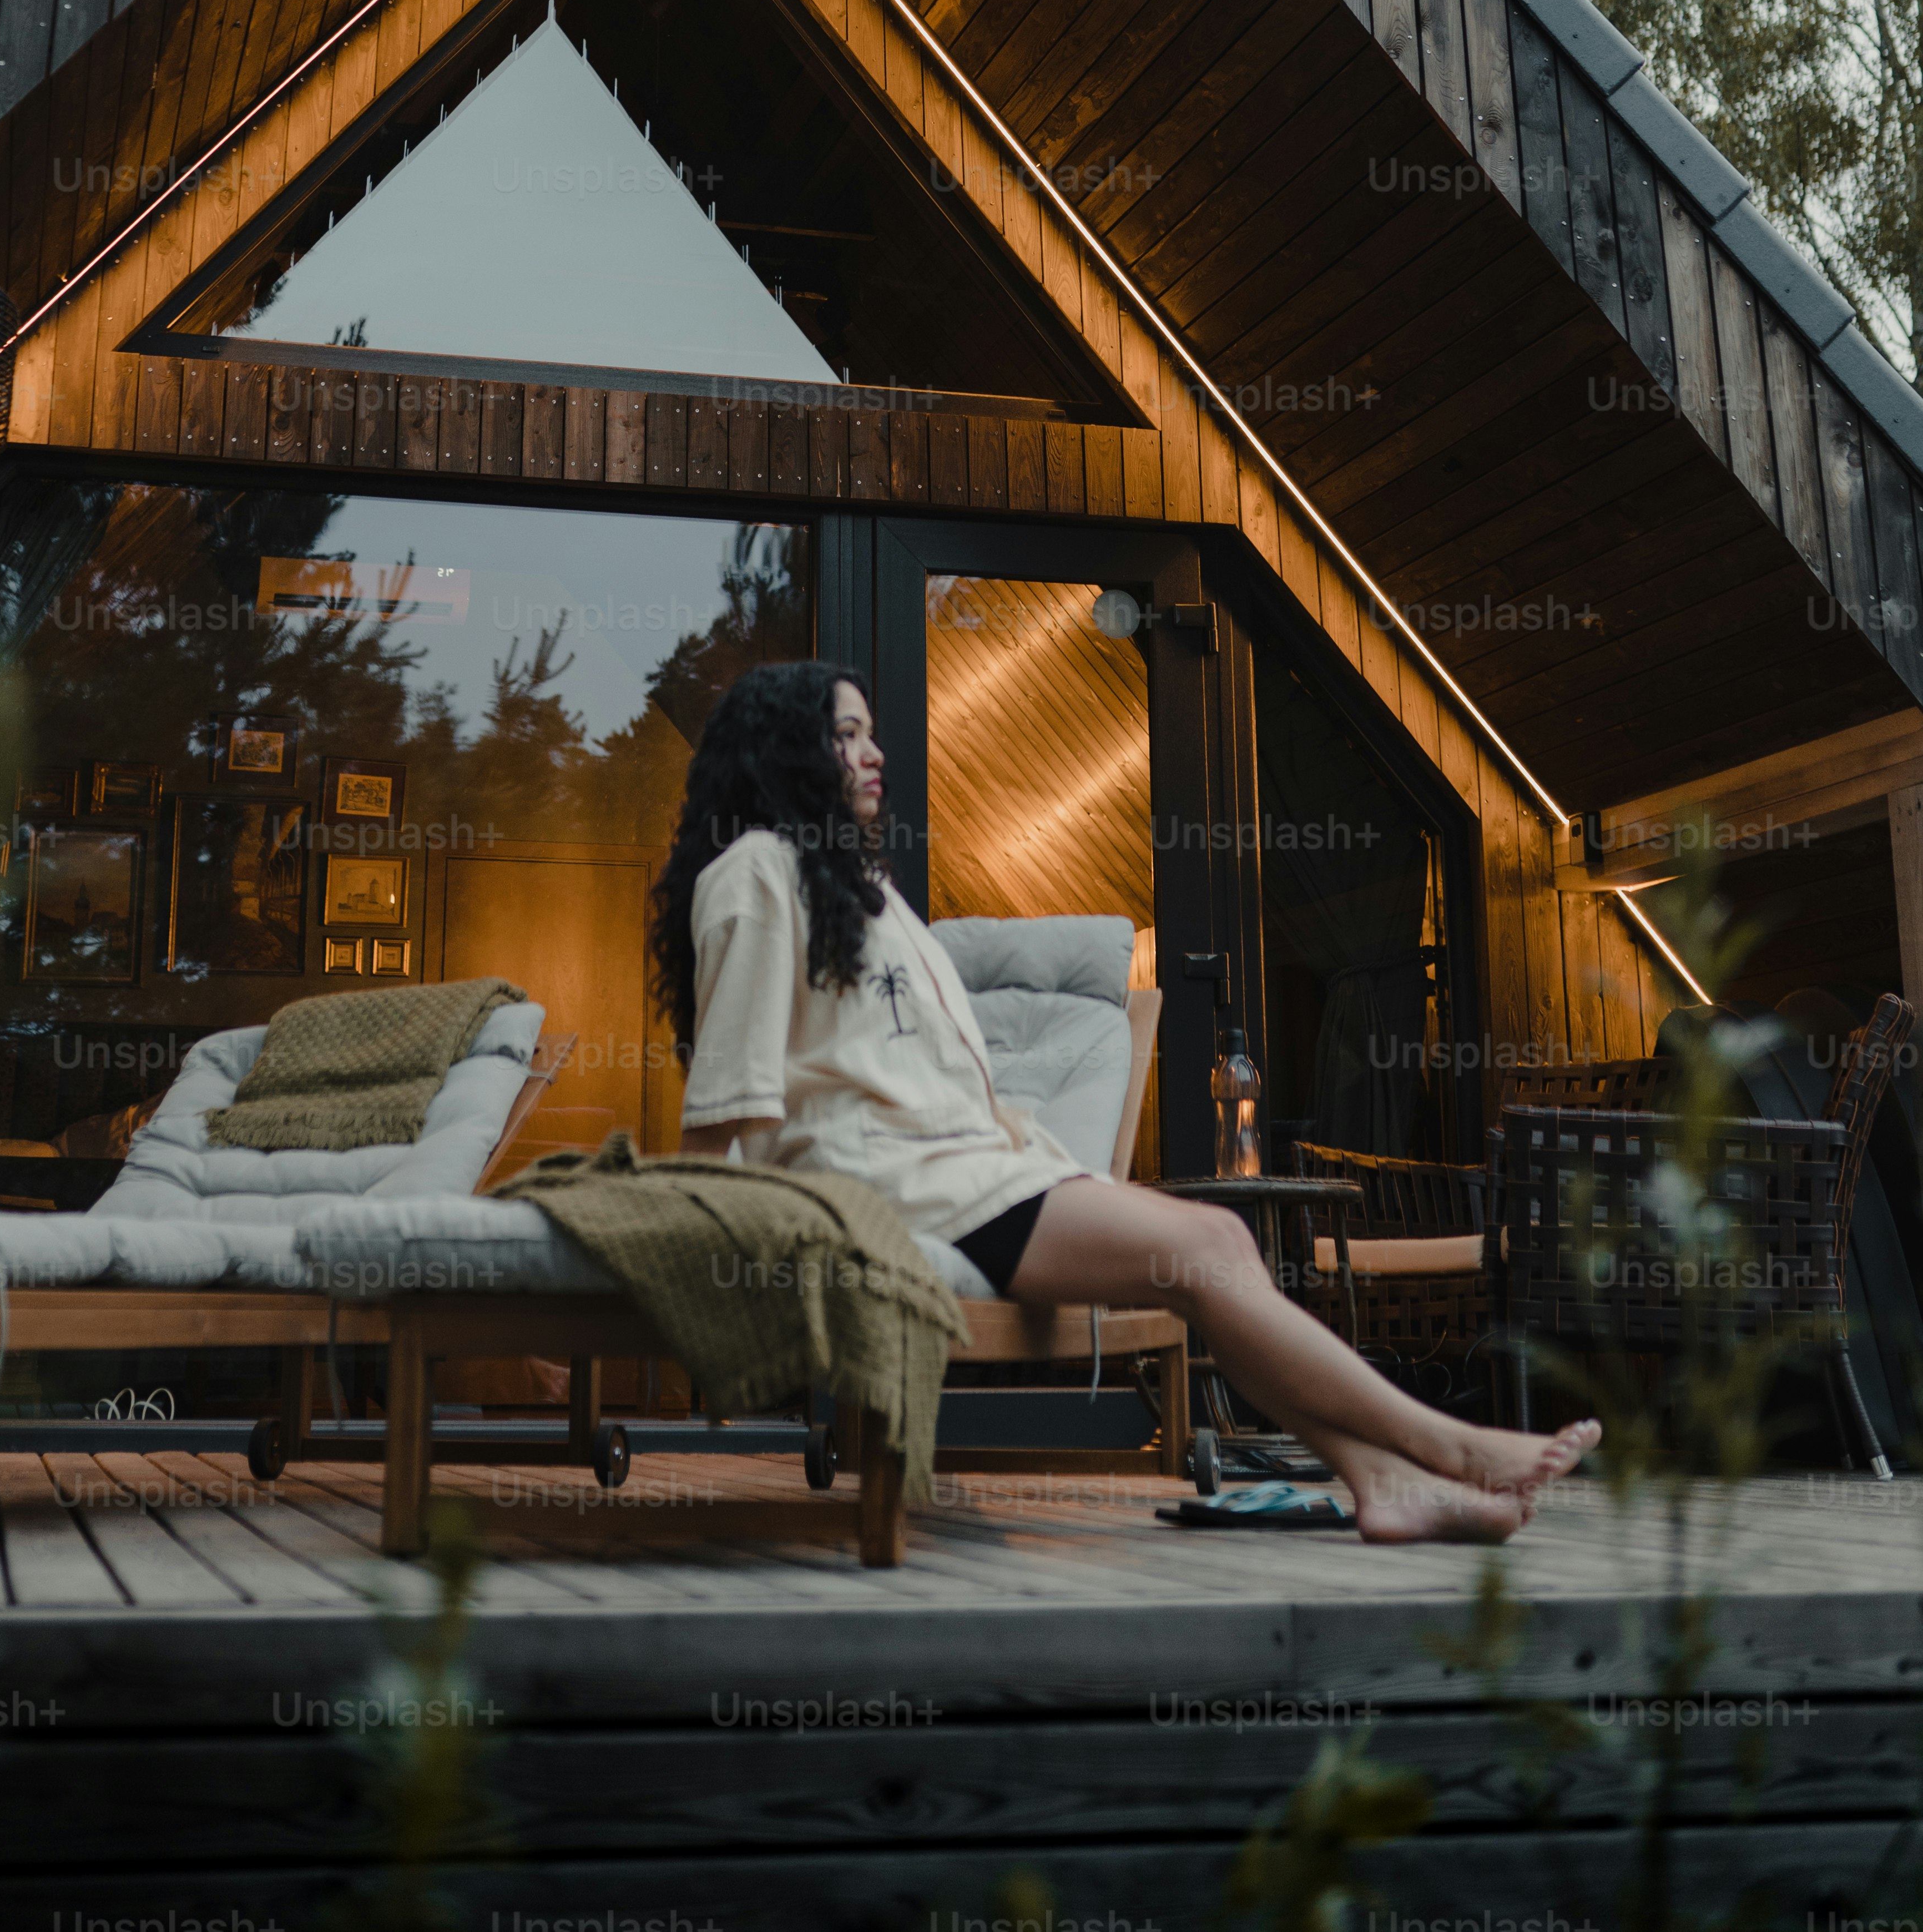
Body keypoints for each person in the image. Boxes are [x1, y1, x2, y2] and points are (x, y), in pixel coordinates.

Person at [649, 660, 1597, 1545]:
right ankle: (1452, 1447)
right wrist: (702, 1239)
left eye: (869, 734)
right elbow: (729, 1091)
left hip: (976, 1170)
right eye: (845, 736)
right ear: (782, 754)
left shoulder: (865, 892)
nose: (873, 753)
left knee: (1210, 1254)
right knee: (1214, 1245)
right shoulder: (756, 872)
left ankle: (1383, 1481)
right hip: (892, 1186)